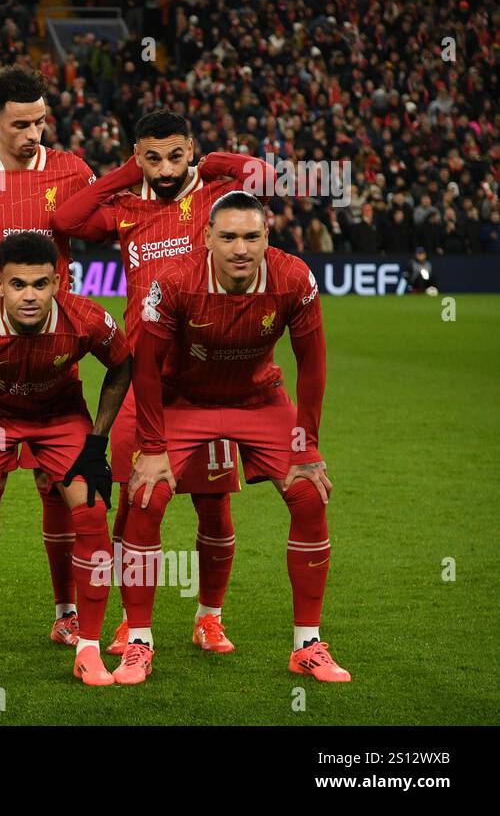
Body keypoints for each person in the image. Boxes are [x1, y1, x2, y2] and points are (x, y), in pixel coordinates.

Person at [53, 108, 277, 657]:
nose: (166, 167)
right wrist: (127, 174)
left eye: (176, 155)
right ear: (138, 155)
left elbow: (266, 178)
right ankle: (132, 620)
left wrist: (212, 161)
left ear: (191, 150)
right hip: (144, 377)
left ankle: (209, 616)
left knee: (212, 504)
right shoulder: (127, 208)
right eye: (152, 156)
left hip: (210, 376)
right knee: (135, 499)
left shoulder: (214, 198)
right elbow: (66, 221)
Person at [125, 190, 349, 684]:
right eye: (227, 237)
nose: (240, 248)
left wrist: (306, 445)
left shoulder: (294, 278)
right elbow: (145, 369)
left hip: (258, 400)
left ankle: (306, 645)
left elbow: (313, 365)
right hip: (184, 400)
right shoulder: (177, 281)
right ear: (206, 238)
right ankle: (138, 642)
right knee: (147, 495)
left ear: (267, 237)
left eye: (251, 236)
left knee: (310, 494)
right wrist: (154, 448)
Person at [0, 232, 132, 686]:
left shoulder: (86, 318)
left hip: (59, 417)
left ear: (58, 283)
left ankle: (89, 648)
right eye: (18, 284)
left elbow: (122, 363)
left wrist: (98, 440)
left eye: (40, 284)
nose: (30, 296)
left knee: (92, 505)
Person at [0, 66, 97, 649]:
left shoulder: (71, 170)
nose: (33, 132)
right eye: (20, 124)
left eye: (40, 121)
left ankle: (66, 612)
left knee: (58, 487)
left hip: (55, 353)